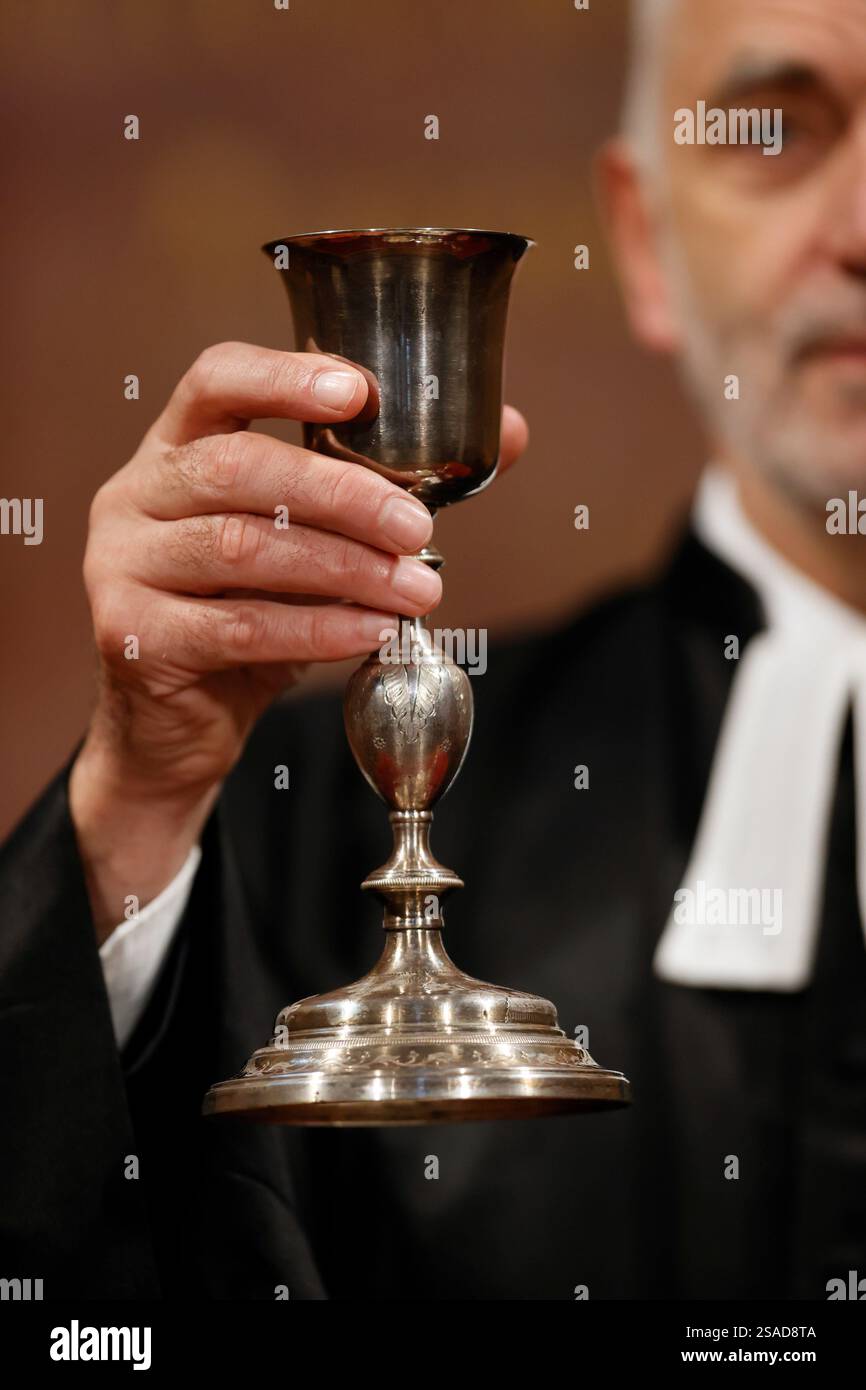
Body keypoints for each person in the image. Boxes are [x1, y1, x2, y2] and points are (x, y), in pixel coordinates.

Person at [2, 0, 865, 1300]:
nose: (859, 231)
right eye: (774, 131)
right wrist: (137, 814)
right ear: (641, 238)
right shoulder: (298, 826)